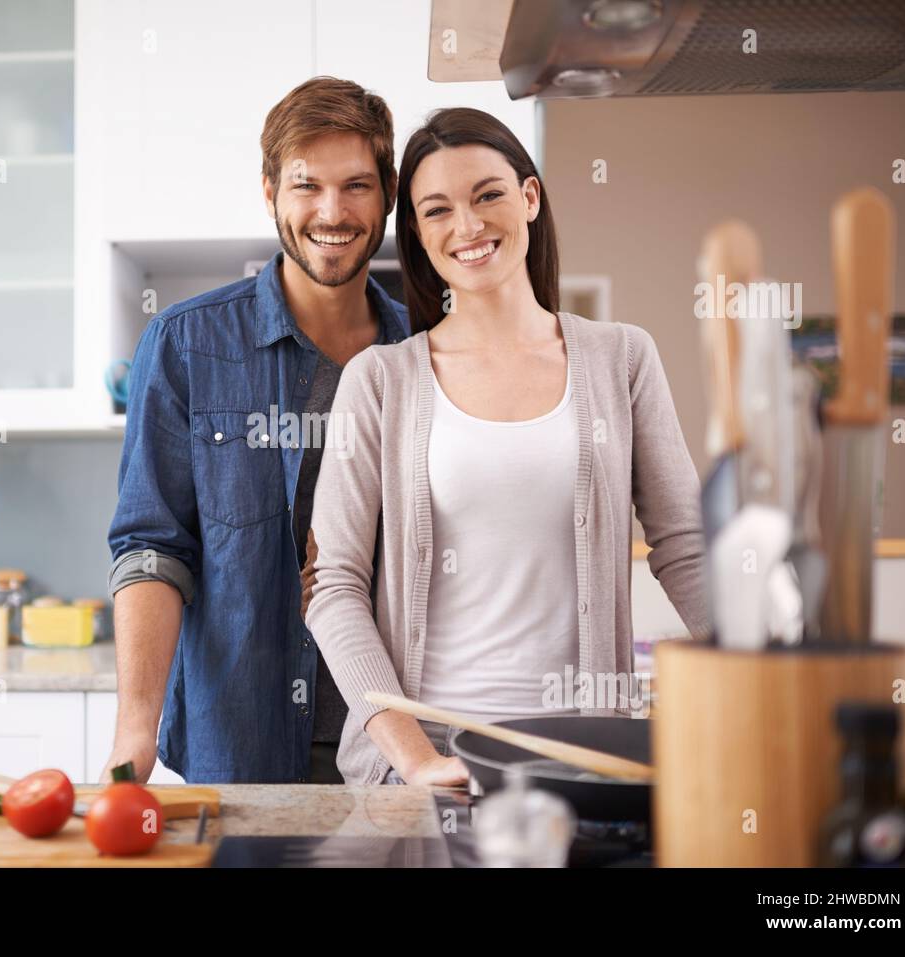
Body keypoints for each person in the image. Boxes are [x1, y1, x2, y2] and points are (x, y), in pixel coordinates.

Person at [302, 107, 711, 786]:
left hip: (585, 758)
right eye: (436, 210)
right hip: (425, 766)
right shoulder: (380, 381)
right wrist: (417, 758)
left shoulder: (622, 358)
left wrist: (775, 673)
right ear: (420, 236)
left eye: (487, 194)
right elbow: (332, 586)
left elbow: (688, 545)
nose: (467, 226)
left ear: (529, 196)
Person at [103, 77, 409, 784]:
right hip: (236, 745)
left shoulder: (427, 352)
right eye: (307, 185)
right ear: (269, 190)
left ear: (388, 193)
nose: (332, 212)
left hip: (394, 751)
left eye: (357, 185)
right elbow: (152, 546)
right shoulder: (185, 343)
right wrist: (133, 732)